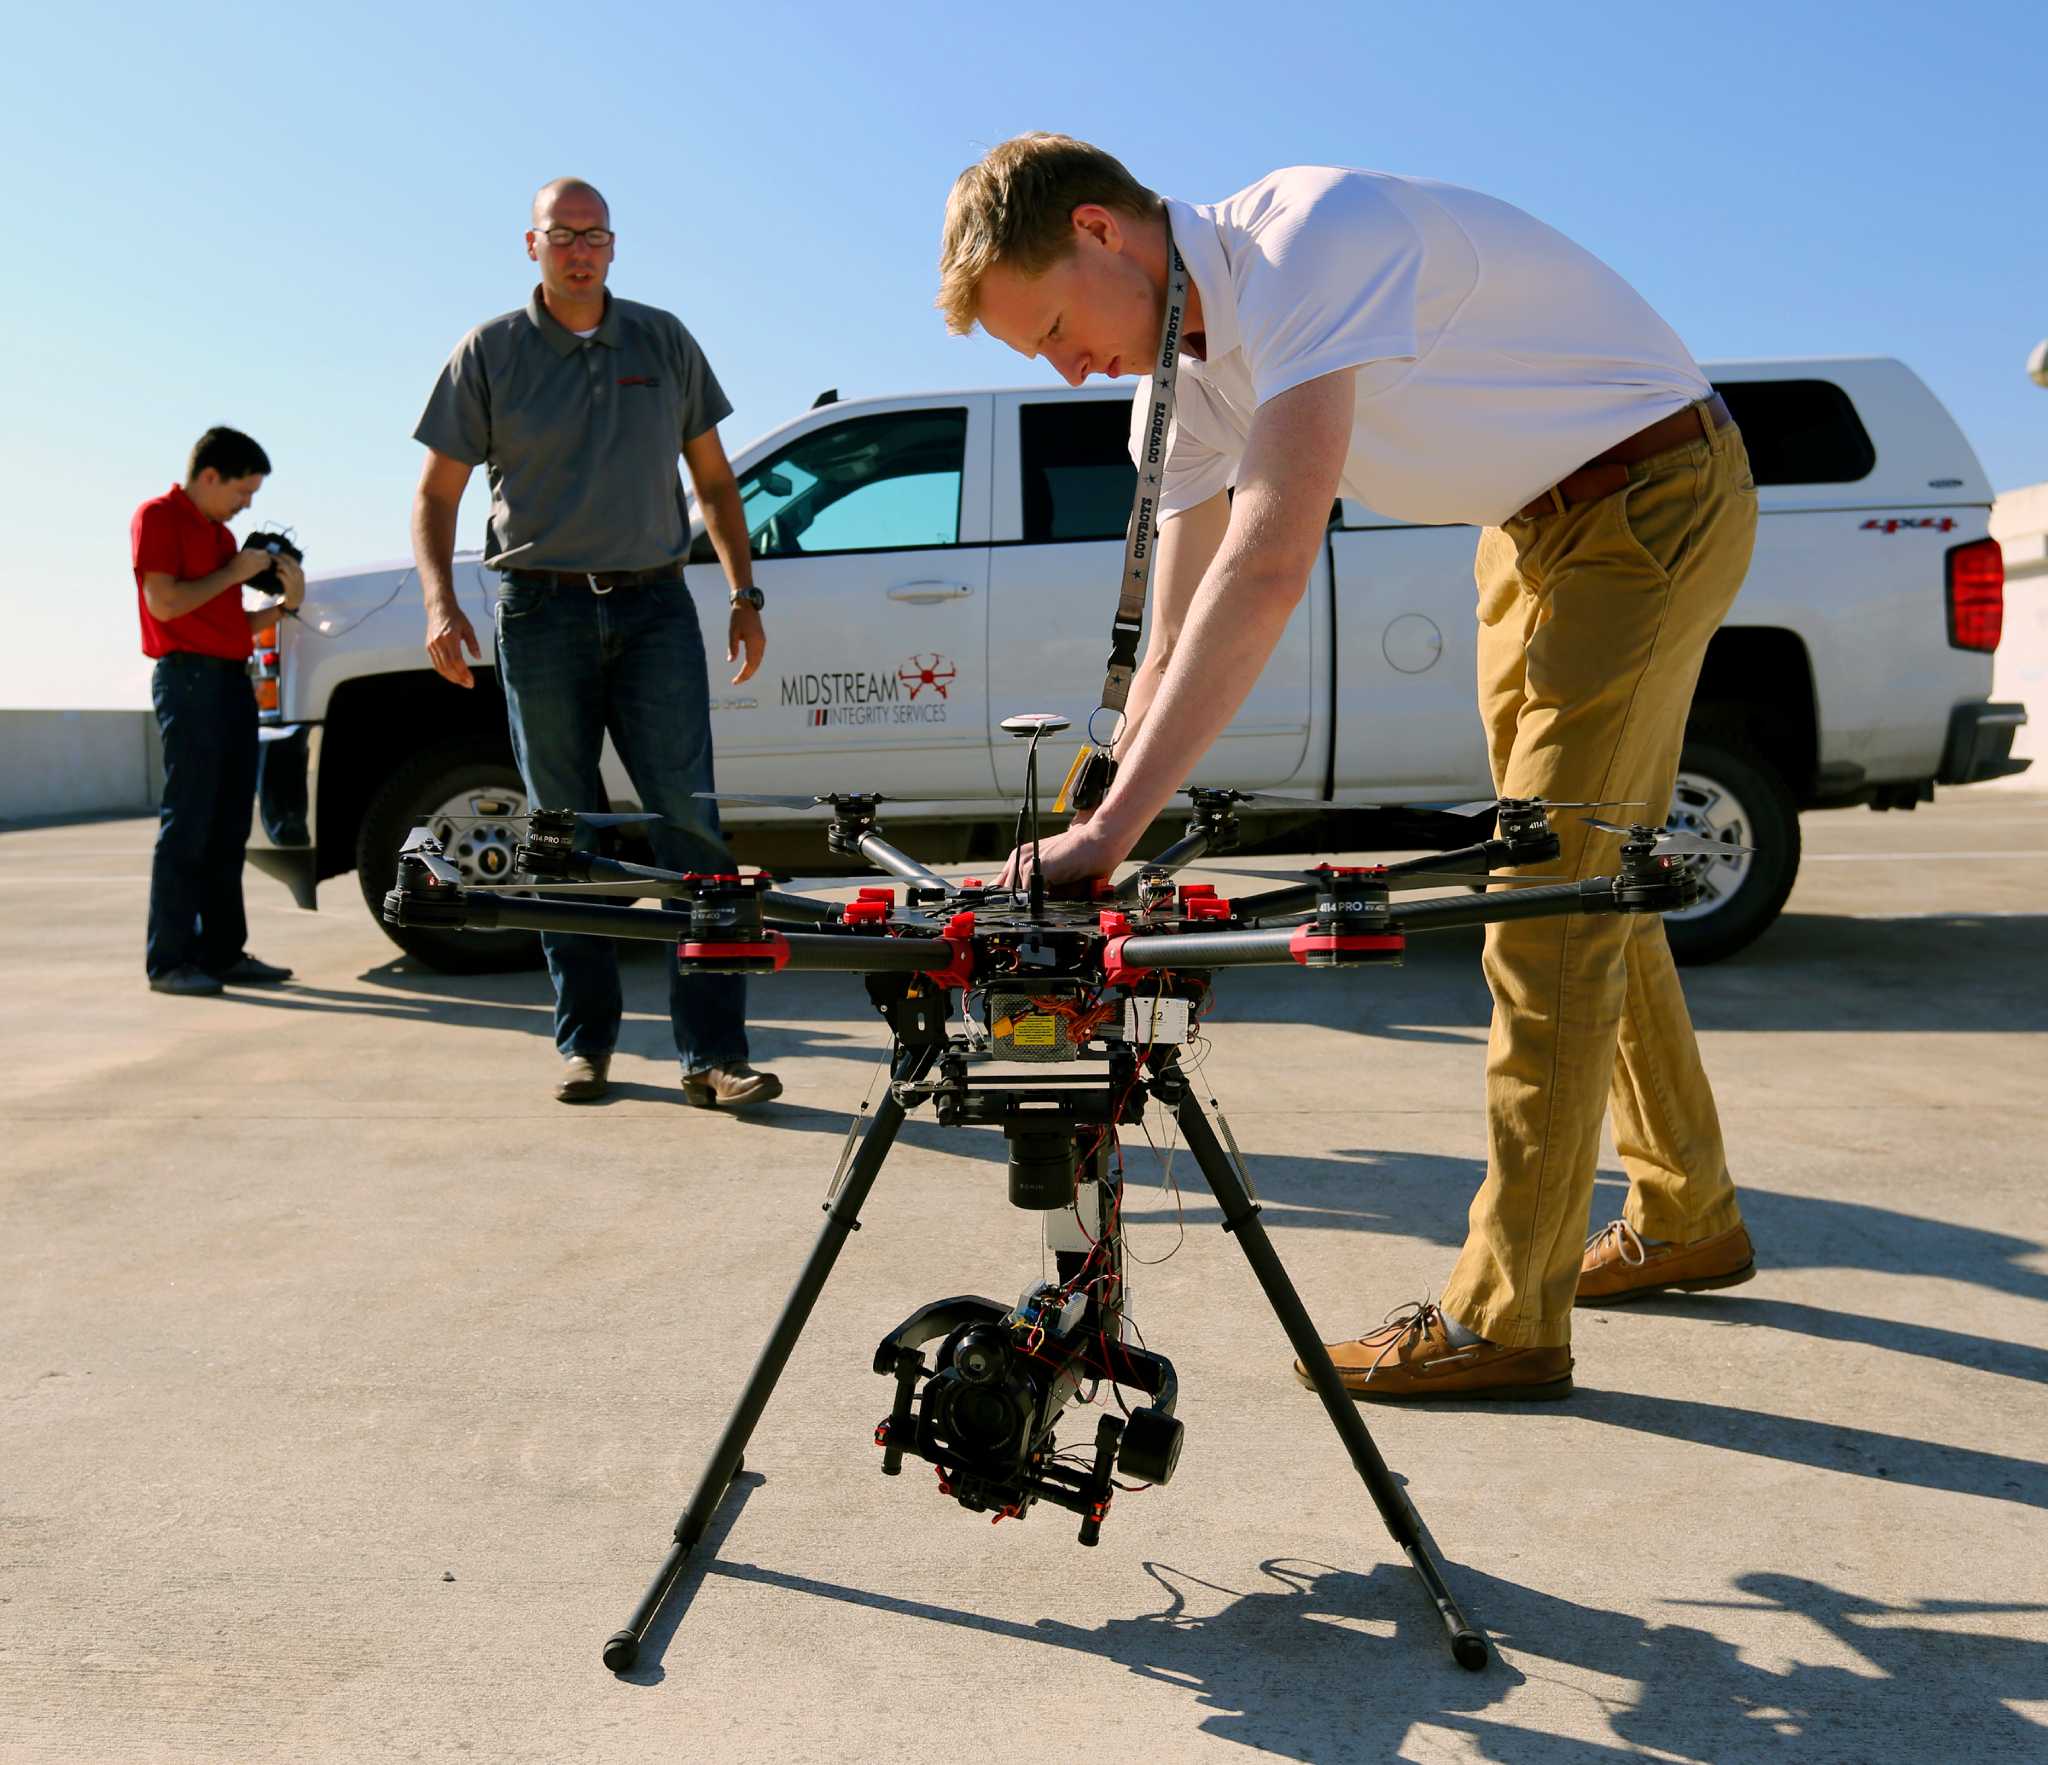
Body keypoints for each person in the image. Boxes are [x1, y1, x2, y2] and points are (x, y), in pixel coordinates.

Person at [939, 135, 1758, 1399]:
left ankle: (1505, 1317)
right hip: (1529, 530)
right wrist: (1101, 810)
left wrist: (1105, 848)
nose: (1063, 367)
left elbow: (1268, 565)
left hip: (1645, 492)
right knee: (1579, 871)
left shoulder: (1301, 244)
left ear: (1100, 231)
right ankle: (1685, 1205)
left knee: (1539, 910)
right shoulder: (1177, 387)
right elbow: (1171, 631)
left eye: (1051, 327)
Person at [412, 177, 781, 1110]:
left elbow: (715, 484)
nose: (581, 250)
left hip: (657, 608)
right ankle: (585, 1046)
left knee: (690, 828)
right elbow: (436, 496)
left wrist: (743, 592)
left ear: (615, 247)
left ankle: (714, 1056)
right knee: (562, 833)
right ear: (529, 245)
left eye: (597, 235)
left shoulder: (663, 339)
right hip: (539, 612)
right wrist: (439, 604)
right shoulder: (487, 353)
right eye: (563, 235)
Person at [133, 426, 304, 997]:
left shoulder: (220, 536)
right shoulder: (157, 517)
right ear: (210, 477)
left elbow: (228, 623)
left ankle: (223, 953)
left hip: (232, 681)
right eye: (241, 493)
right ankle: (169, 961)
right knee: (189, 821)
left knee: (230, 822)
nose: (246, 505)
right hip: (187, 681)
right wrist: (234, 573)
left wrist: (285, 605)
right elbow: (165, 602)